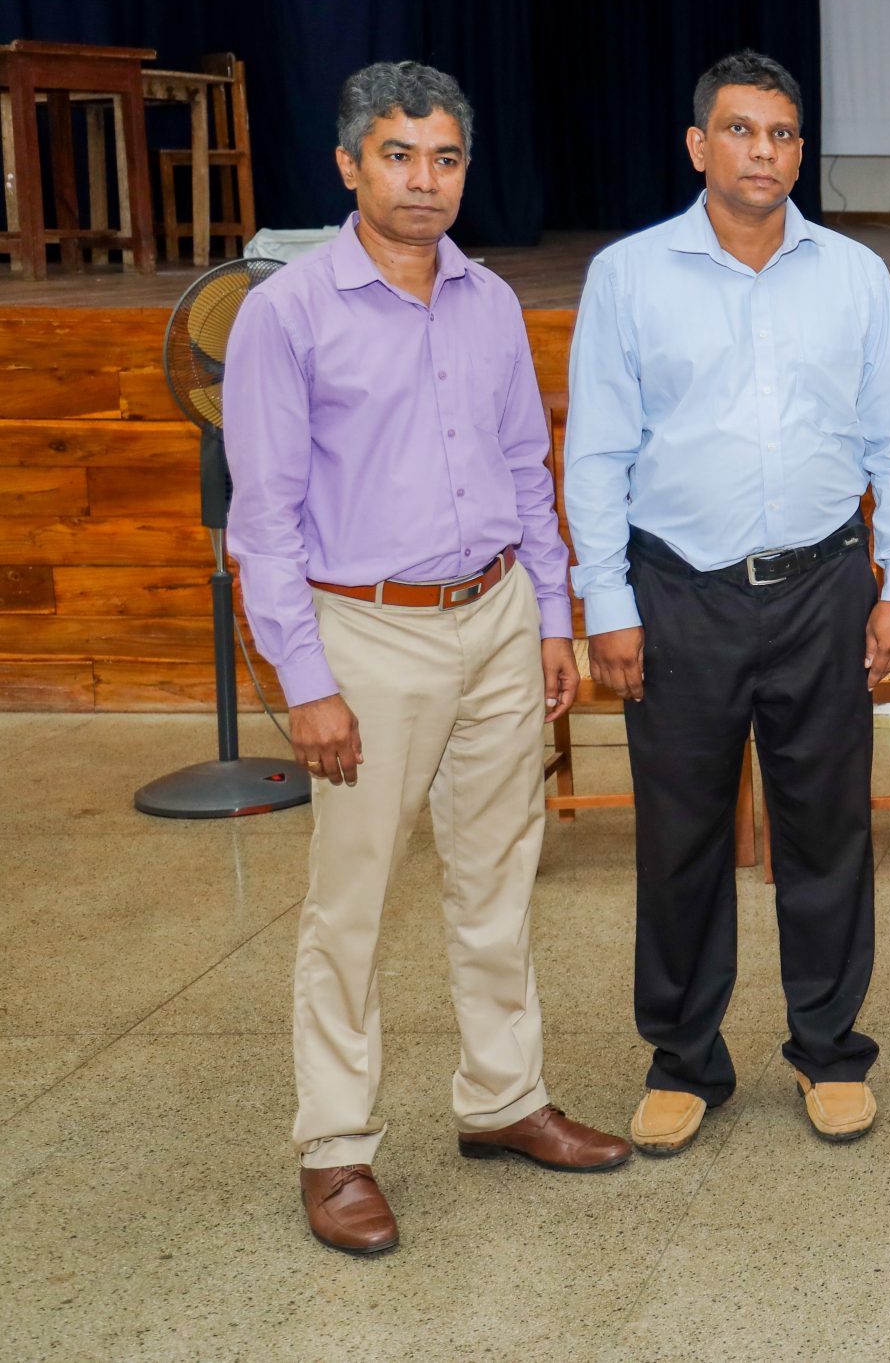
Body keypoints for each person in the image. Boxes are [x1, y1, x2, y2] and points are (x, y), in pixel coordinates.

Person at [226, 62, 630, 1256]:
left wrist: (550, 617)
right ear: (349, 165)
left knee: (498, 876)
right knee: (347, 906)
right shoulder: (287, 313)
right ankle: (337, 1149)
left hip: (497, 616)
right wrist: (304, 679)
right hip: (365, 633)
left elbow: (524, 470)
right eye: (398, 155)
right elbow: (265, 517)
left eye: (445, 157)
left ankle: (503, 1101)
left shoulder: (488, 300)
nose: (425, 180)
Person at [564, 51, 890, 1156]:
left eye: (781, 134)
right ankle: (684, 1060)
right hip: (678, 593)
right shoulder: (629, 276)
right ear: (698, 147)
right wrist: (608, 601)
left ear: (799, 150)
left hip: (825, 586)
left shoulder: (853, 273)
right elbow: (595, 452)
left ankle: (829, 1052)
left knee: (827, 833)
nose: (763, 152)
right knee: (680, 839)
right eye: (740, 131)